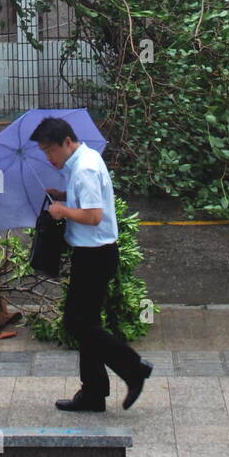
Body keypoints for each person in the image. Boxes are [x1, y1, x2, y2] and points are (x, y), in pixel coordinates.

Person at [30, 117, 152, 413]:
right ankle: (93, 393)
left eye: (50, 151)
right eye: (44, 153)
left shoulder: (83, 168)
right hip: (96, 254)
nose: (49, 158)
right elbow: (87, 203)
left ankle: (134, 367)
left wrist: (62, 210)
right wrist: (64, 196)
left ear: (67, 142)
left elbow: (94, 215)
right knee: (87, 324)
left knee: (76, 322)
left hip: (93, 256)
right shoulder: (85, 158)